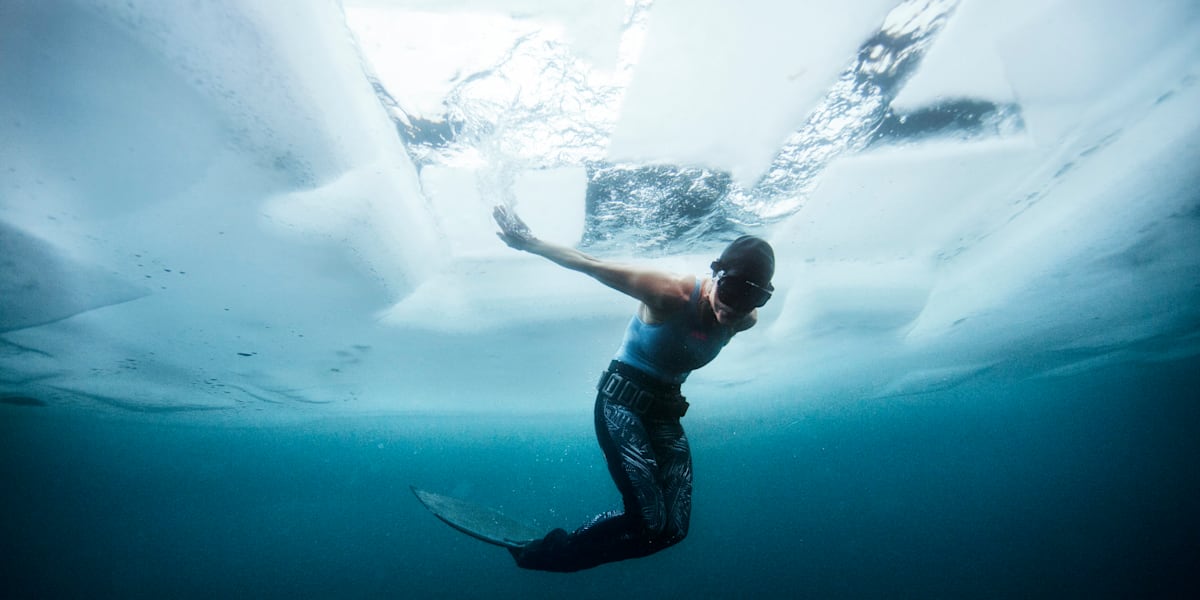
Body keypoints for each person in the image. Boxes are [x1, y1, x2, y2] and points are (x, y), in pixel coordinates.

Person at [492, 205, 775, 572]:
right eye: (731, 293)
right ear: (716, 274)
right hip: (620, 404)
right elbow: (588, 263)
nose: (733, 310)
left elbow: (723, 320)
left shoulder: (744, 320)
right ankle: (550, 554)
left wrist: (735, 308)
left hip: (664, 412)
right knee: (649, 521)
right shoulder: (669, 293)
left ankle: (563, 555)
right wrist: (528, 242)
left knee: (673, 531)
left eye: (749, 301)